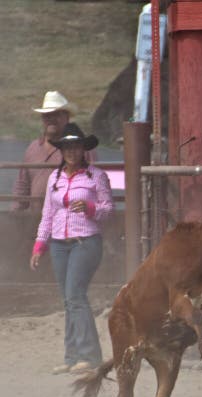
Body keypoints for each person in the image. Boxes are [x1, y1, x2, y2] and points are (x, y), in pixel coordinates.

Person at [29, 123, 113, 374]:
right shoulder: (55, 178)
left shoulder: (96, 176)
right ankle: (72, 356)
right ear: (62, 150)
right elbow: (48, 213)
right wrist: (39, 244)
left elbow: (108, 210)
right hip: (58, 244)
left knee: (75, 295)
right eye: (67, 147)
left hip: (85, 242)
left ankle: (88, 355)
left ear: (83, 149)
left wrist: (89, 209)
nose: (71, 151)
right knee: (68, 299)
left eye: (76, 146)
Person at [13, 91, 96, 212]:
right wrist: (15, 215)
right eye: (46, 115)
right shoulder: (32, 148)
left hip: (71, 221)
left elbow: (95, 184)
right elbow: (22, 186)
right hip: (35, 221)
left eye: (56, 114)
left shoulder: (83, 149)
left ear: (66, 117)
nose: (50, 119)